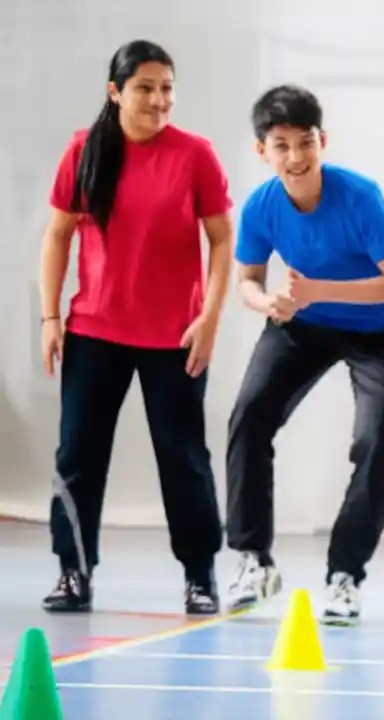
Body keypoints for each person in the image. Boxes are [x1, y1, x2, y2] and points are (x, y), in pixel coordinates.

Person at [38, 39, 232, 615]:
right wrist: (51, 317)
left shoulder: (195, 154)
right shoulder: (85, 150)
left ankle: (200, 575)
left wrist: (210, 319)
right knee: (78, 455)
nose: (158, 99)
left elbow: (222, 240)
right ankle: (74, 572)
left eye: (167, 88)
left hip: (175, 338)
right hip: (95, 331)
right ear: (115, 91)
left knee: (184, 458)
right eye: (145, 87)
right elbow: (57, 235)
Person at [223, 85, 384, 626]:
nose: (295, 157)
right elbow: (246, 279)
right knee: (248, 418)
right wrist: (268, 301)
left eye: (305, 143)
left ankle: (345, 576)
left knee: (374, 447)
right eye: (281, 145)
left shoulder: (359, 196)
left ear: (322, 141)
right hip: (304, 325)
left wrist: (318, 291)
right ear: (261, 150)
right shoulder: (261, 206)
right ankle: (252, 560)